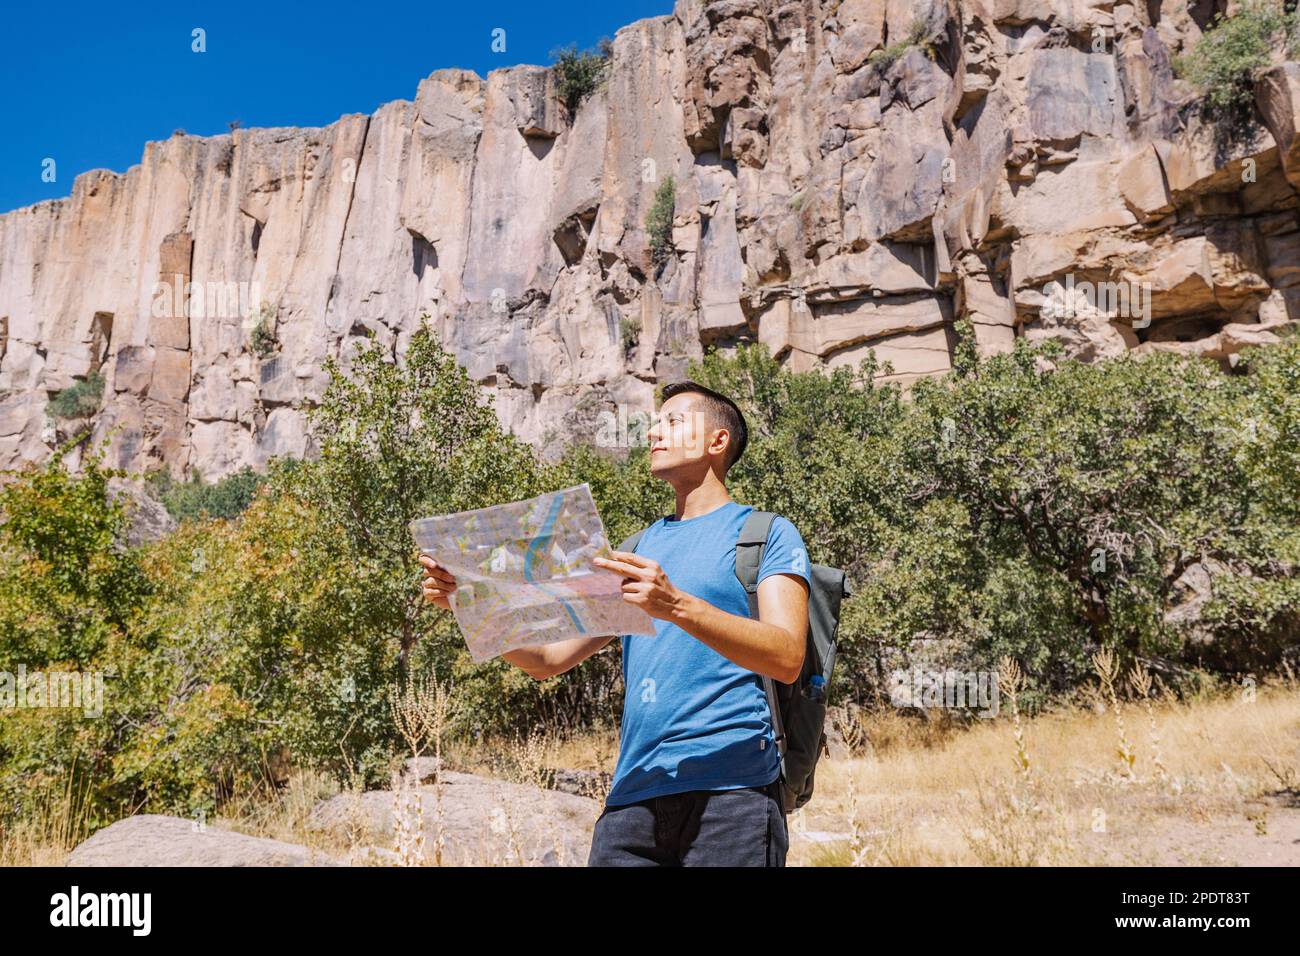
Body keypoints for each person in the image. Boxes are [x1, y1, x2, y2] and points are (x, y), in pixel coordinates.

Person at [419, 381, 811, 866]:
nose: (653, 432)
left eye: (672, 421)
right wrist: (469, 601)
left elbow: (787, 656)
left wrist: (675, 606)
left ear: (717, 442)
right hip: (632, 797)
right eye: (654, 423)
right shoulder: (635, 549)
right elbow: (548, 660)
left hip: (734, 791)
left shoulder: (765, 533)